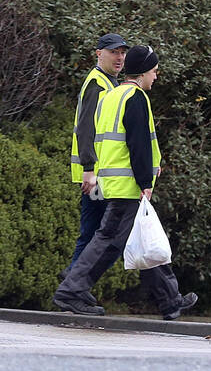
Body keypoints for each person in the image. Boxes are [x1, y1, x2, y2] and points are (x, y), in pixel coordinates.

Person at [53, 45, 198, 320]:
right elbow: (138, 144)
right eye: (154, 71)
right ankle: (71, 290)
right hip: (128, 186)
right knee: (108, 243)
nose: (155, 77)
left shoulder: (112, 95)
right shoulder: (136, 97)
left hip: (114, 184)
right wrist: (145, 181)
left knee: (143, 239)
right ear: (143, 72)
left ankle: (170, 301)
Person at [64, 34, 128, 299]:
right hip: (97, 177)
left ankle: (72, 281)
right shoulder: (97, 84)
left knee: (93, 234)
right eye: (114, 52)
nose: (120, 57)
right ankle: (73, 284)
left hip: (101, 175)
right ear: (98, 53)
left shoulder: (108, 83)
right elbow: (87, 129)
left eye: (123, 52)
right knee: (98, 235)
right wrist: (89, 170)